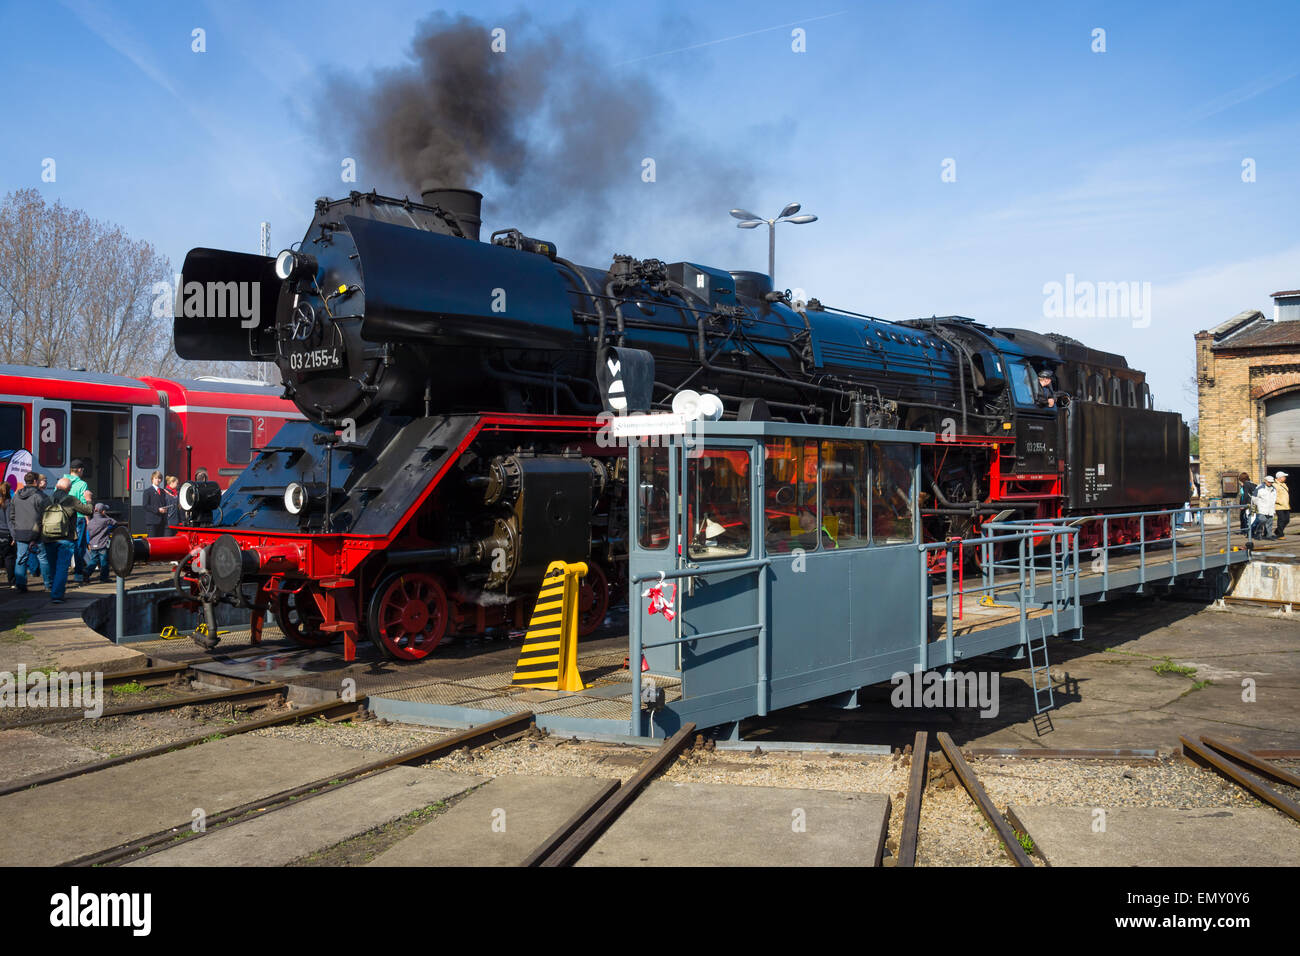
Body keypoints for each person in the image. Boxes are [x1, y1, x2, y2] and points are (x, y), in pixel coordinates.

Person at [41, 477, 93, 603]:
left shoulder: (47, 500)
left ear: (56, 486)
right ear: (69, 489)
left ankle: (54, 590)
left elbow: (39, 519)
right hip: (66, 538)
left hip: (48, 538)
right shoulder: (70, 499)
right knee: (62, 567)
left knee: (53, 567)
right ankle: (57, 595)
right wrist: (88, 499)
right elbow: (88, 510)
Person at [8, 472, 50, 593]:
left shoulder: (16, 496)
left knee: (21, 559)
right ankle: (48, 584)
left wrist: (15, 531)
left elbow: (12, 515)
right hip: (37, 531)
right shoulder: (40, 496)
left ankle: (20, 585)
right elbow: (45, 515)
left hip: (20, 531)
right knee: (43, 558)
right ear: (36, 481)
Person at [62, 459, 91, 583]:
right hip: (79, 518)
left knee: (66, 546)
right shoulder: (82, 484)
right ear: (79, 470)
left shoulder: (63, 482)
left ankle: (61, 573)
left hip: (64, 518)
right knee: (79, 546)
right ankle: (78, 574)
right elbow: (84, 504)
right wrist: (88, 520)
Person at [85, 502, 116, 584]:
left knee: (94, 560)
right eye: (105, 510)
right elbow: (114, 522)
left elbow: (88, 533)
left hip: (93, 545)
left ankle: (86, 573)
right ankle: (104, 578)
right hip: (102, 544)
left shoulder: (91, 522)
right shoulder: (105, 520)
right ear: (102, 511)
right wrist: (105, 516)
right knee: (104, 562)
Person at [143, 470, 168, 537]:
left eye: (159, 478)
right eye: (156, 478)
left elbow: (163, 503)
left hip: (161, 521)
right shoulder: (147, 491)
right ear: (152, 479)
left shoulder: (162, 491)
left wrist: (165, 509)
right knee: (152, 541)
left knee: (160, 541)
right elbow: (145, 505)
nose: (158, 480)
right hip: (152, 522)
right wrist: (158, 510)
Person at [1252, 475, 1277, 540]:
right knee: (1262, 520)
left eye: (1271, 482)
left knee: (1269, 523)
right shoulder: (1259, 488)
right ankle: (1258, 533)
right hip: (1262, 509)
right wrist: (1259, 505)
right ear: (1265, 481)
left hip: (1270, 509)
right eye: (1269, 482)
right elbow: (1254, 498)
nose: (1270, 483)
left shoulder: (1274, 489)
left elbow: (1274, 498)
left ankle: (1269, 535)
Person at [0, 483, 13, 585]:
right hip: (6, 533)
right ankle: (11, 581)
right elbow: (9, 521)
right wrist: (13, 536)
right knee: (9, 558)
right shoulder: (8, 503)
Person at [1274, 471, 1290, 538]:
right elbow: (1274, 495)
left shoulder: (1283, 484)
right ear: (1279, 478)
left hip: (1286, 505)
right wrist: (1279, 501)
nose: (1285, 478)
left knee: (1287, 520)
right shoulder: (1274, 485)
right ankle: (1280, 534)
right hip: (1279, 506)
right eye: (1284, 477)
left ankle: (1277, 531)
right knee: (1281, 520)